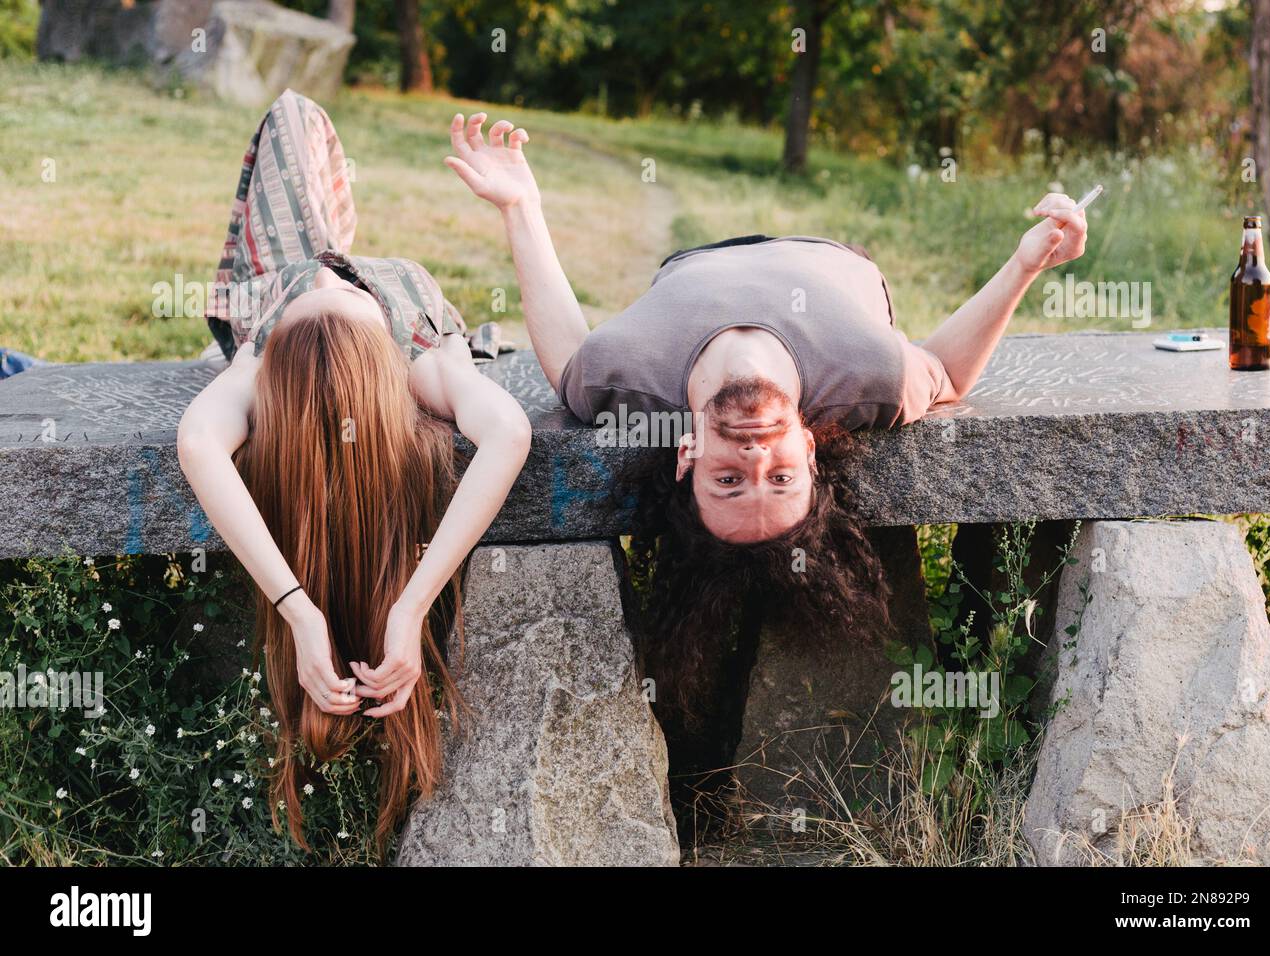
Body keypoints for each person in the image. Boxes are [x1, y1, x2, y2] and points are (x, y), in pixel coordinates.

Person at [442, 111, 1088, 722]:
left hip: (695, 261)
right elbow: (946, 373)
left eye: (728, 482)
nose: (754, 460)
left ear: (688, 454)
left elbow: (562, 356)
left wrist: (520, 207)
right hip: (833, 253)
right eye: (779, 480)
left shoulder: (619, 379)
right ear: (808, 451)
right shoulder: (870, 375)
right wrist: (1027, 263)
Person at [178, 92, 531, 849]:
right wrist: (406, 607)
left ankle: (308, 252)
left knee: (292, 114)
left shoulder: (268, 349)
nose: (328, 294)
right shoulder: (419, 363)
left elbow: (201, 443)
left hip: (282, 294)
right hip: (319, 310)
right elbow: (507, 431)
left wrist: (302, 613)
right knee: (295, 116)